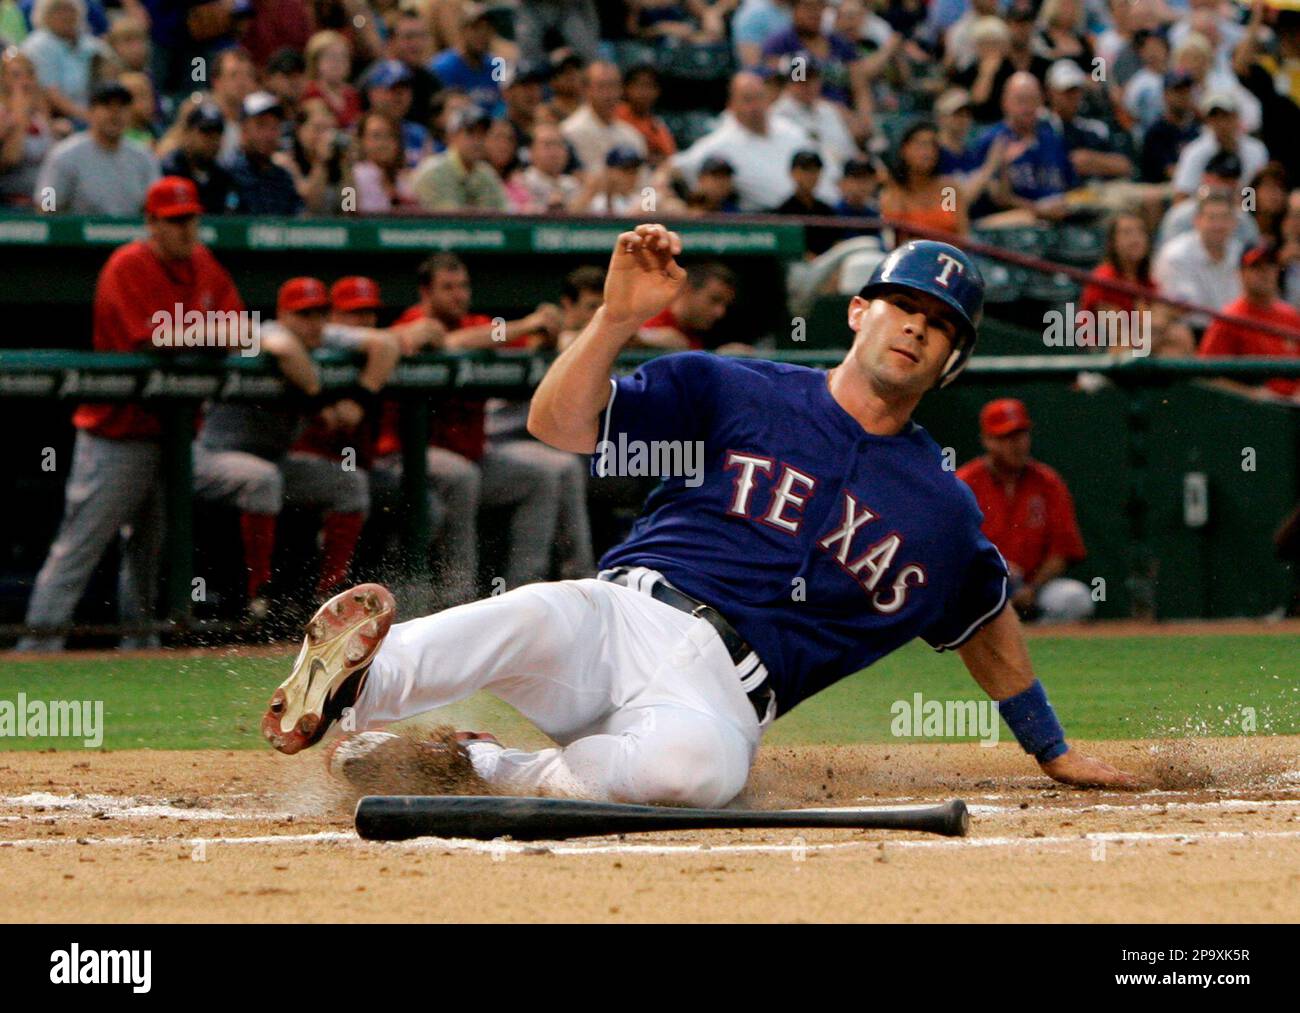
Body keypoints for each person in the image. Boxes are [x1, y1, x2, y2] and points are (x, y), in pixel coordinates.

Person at [261, 225, 1137, 806]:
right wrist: (611, 320)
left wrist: (1051, 747)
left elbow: (985, 624)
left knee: (697, 773)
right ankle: (352, 687)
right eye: (903, 305)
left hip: (723, 693)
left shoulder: (942, 510)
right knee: (533, 612)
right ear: (860, 309)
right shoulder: (733, 383)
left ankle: (480, 764)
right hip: (622, 615)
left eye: (939, 325)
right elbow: (556, 424)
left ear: (950, 361)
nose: (915, 328)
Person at [19, 177, 242, 651]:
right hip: (116, 435)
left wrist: (196, 332)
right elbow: (152, 336)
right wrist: (206, 333)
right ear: (152, 223)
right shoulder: (128, 264)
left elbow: (238, 327)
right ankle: (36, 651)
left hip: (173, 434)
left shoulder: (204, 263)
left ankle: (139, 648)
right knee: (80, 547)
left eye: (192, 219)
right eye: (175, 221)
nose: (187, 229)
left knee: (150, 552)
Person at [193, 276, 400, 613]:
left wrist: (360, 399)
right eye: (303, 315)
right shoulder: (272, 332)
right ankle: (257, 597)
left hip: (273, 458)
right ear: (283, 314)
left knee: (349, 483)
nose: (313, 323)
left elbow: (387, 344)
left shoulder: (325, 335)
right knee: (263, 479)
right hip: (215, 455)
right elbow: (284, 349)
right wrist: (322, 404)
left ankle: (330, 595)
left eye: (320, 314)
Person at [373, 253, 565, 609]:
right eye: (448, 288)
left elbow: (530, 346)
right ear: (425, 292)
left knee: (539, 477)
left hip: (470, 457)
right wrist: (527, 323)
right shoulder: (415, 322)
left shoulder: (477, 322)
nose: (458, 295)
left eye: (463, 286)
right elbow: (454, 343)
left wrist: (547, 332)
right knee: (462, 477)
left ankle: (525, 597)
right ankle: (456, 600)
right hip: (405, 458)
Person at [957, 399, 1094, 624]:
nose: (1016, 444)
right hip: (981, 588)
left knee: (1074, 598)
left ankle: (1040, 654)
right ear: (987, 440)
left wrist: (1032, 587)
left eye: (1020, 435)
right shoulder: (965, 483)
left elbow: (1062, 551)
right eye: (1005, 437)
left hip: (1033, 590)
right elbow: (951, 548)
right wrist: (992, 569)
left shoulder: (1048, 482)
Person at [666, 70, 816, 211]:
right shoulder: (722, 140)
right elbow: (672, 168)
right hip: (769, 223)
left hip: (819, 211)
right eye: (747, 99)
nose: (755, 106)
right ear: (731, 104)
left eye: (759, 97)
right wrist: (668, 199)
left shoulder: (790, 130)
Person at [33, 79, 158, 213]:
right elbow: (45, 204)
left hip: (129, 232)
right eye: (107, 106)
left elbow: (155, 205)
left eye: (122, 107)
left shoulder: (143, 156)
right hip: (77, 232)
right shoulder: (63, 154)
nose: (115, 114)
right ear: (91, 112)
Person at [1199, 242, 1300, 401]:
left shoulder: (1291, 316)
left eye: (1270, 266)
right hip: (1253, 411)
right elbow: (1208, 375)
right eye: (1256, 267)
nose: (1264, 273)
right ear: (1241, 273)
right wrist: (1249, 394)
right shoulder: (1229, 318)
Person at [1152, 190, 1243, 329]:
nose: (1218, 225)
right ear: (1197, 221)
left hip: (1236, 330)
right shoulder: (1176, 256)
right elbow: (1181, 311)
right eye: (1212, 218)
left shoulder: (1242, 253)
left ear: (1234, 223)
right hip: (1193, 331)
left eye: (1225, 218)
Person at [1171, 90, 1268, 199]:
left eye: (1225, 116)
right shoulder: (1194, 151)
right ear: (1208, 121)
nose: (1221, 123)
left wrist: (1243, 210)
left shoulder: (1255, 150)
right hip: (1203, 208)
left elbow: (1255, 192)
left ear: (1236, 116)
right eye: (1215, 117)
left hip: (1243, 206)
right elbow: (1182, 194)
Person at [410, 104, 507, 211]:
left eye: (482, 134)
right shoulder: (433, 171)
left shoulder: (486, 174)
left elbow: (505, 213)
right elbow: (447, 222)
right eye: (470, 133)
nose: (477, 141)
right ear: (452, 135)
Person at [20, 0, 103, 123]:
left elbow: (111, 72)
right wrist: (90, 118)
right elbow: (51, 94)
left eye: (70, 9)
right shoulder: (38, 45)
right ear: (44, 15)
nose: (65, 15)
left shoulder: (89, 42)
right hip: (59, 117)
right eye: (58, 10)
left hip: (94, 110)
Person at [224, 91, 303, 216]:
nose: (268, 135)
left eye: (274, 127)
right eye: (261, 125)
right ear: (244, 130)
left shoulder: (284, 179)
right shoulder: (225, 175)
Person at [560, 60, 647, 173]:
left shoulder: (632, 136)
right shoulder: (569, 132)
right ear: (586, 90)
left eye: (613, 86)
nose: (609, 94)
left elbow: (645, 184)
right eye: (601, 86)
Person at [634, 260, 739, 350]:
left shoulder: (692, 334)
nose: (720, 312)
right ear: (687, 289)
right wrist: (646, 338)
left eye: (725, 305)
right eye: (714, 300)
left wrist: (722, 358)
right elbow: (625, 336)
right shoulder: (648, 316)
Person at [1079, 211, 1156, 327]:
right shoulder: (1103, 279)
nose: (1136, 239)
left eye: (1141, 232)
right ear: (1113, 242)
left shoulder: (1146, 278)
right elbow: (1116, 332)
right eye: (1127, 233)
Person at [158, 101, 236, 215]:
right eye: (205, 133)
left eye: (217, 134)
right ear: (187, 133)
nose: (212, 140)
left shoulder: (223, 176)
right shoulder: (168, 171)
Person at [0, 47, 55, 207]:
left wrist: (49, 208)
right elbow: (11, 158)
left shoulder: (40, 117)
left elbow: (51, 164)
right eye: (16, 75)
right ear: (3, 79)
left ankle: (50, 216)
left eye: (29, 74)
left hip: (42, 197)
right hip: (10, 201)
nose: (25, 81)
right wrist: (20, 115)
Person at [772, 149, 839, 256]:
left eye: (815, 170)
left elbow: (837, 243)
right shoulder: (783, 211)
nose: (811, 176)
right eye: (805, 170)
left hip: (828, 265)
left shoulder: (827, 210)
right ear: (793, 173)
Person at [351, 109, 418, 213]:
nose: (384, 143)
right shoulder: (353, 176)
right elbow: (346, 213)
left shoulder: (406, 181)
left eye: (390, 135)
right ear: (362, 140)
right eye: (376, 136)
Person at [614, 63, 676, 167]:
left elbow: (670, 159)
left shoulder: (657, 126)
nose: (644, 92)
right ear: (626, 88)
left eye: (650, 86)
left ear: (657, 92)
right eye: (639, 85)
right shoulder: (615, 115)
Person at [303, 29, 362, 129]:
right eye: (331, 57)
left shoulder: (353, 94)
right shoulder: (309, 93)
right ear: (316, 62)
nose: (338, 63)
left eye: (343, 56)